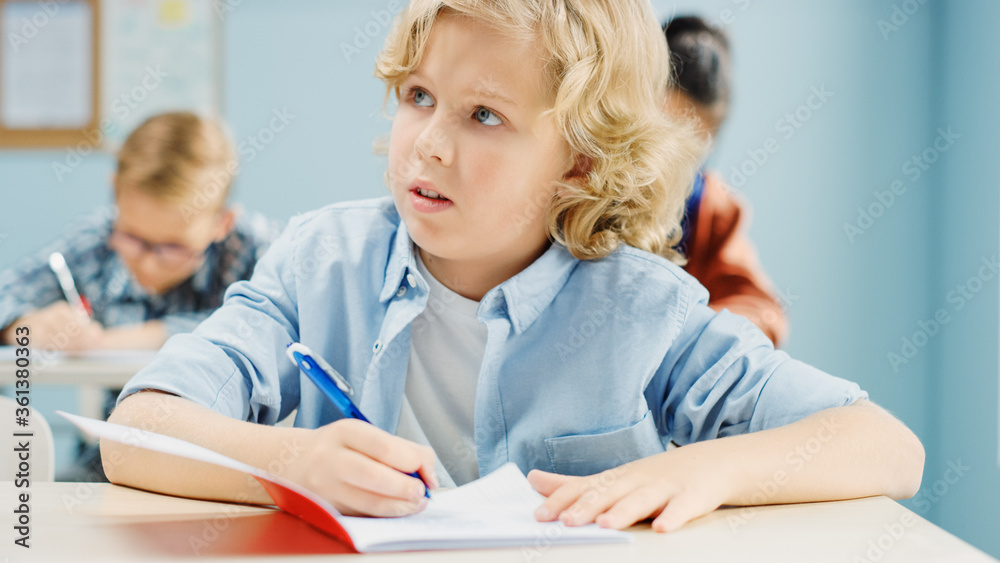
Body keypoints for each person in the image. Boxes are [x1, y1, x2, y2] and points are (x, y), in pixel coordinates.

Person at [104, 0, 923, 534]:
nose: (430, 140)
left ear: (578, 163)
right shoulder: (321, 264)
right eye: (419, 95)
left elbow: (887, 447)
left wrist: (708, 466)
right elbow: (137, 429)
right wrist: (290, 463)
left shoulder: (641, 309)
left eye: (484, 114)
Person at [0, 111, 282, 479]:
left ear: (222, 223)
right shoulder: (95, 240)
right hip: (109, 464)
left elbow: (274, 332)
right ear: (116, 192)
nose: (148, 263)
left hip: (231, 467)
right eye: (133, 238)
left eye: (173, 247)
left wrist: (123, 341)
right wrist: (22, 326)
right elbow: (7, 296)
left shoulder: (264, 250)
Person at [664, 16, 788, 346]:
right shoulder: (589, 180)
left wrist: (694, 331)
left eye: (692, 152)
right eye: (662, 138)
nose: (671, 167)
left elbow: (764, 311)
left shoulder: (709, 209)